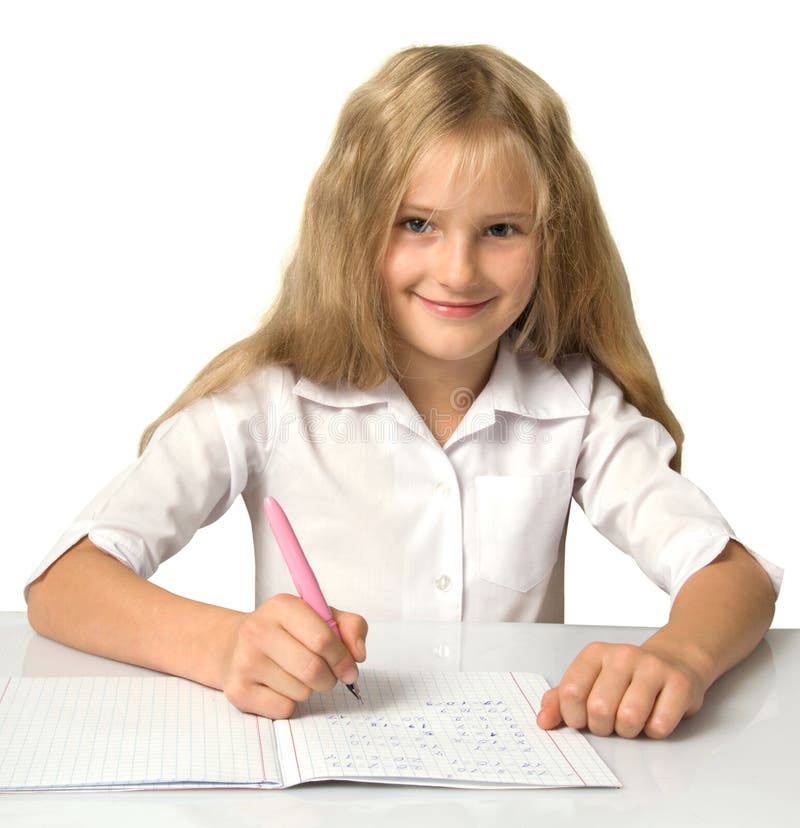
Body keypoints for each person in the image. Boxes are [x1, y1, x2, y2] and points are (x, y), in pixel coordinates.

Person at [25, 43, 782, 739]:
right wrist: (226, 646)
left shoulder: (575, 406)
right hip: (318, 780)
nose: (457, 271)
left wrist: (679, 656)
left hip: (511, 775)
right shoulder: (265, 403)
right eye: (416, 223)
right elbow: (64, 586)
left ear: (553, 238)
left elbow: (731, 575)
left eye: (502, 230)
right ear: (352, 226)